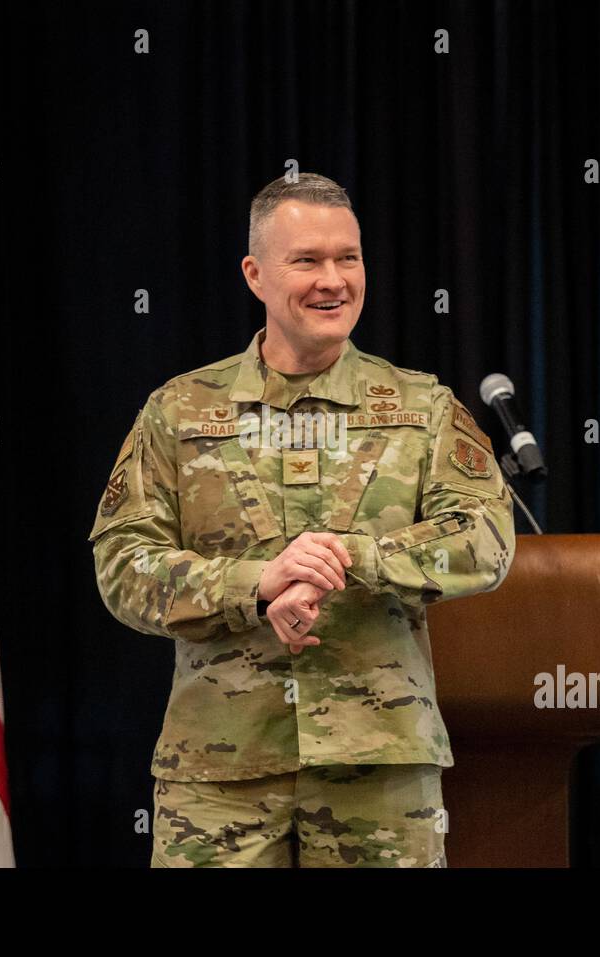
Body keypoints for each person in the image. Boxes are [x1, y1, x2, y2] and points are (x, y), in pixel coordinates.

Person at [89, 173, 515, 867]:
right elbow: (122, 566)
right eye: (307, 260)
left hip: (379, 768)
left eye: (348, 257)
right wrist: (258, 581)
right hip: (219, 771)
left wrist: (348, 557)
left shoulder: (423, 406)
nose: (333, 280)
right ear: (255, 274)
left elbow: (487, 538)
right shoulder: (179, 410)